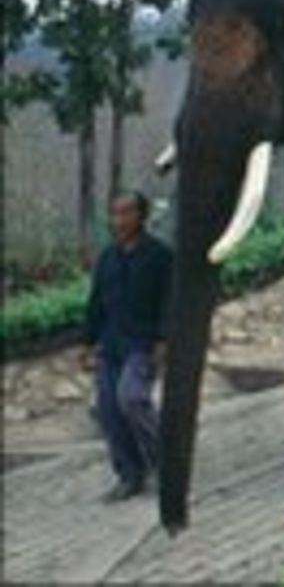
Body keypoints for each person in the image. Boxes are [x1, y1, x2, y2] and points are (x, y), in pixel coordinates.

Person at [81, 191, 172, 502]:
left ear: (141, 216)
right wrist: (88, 342)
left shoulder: (160, 256)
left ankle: (168, 464)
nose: (118, 220)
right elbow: (96, 303)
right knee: (108, 411)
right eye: (114, 214)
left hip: (142, 343)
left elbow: (169, 302)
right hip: (110, 344)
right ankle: (130, 475)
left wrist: (163, 340)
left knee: (132, 398)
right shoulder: (107, 257)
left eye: (126, 213)